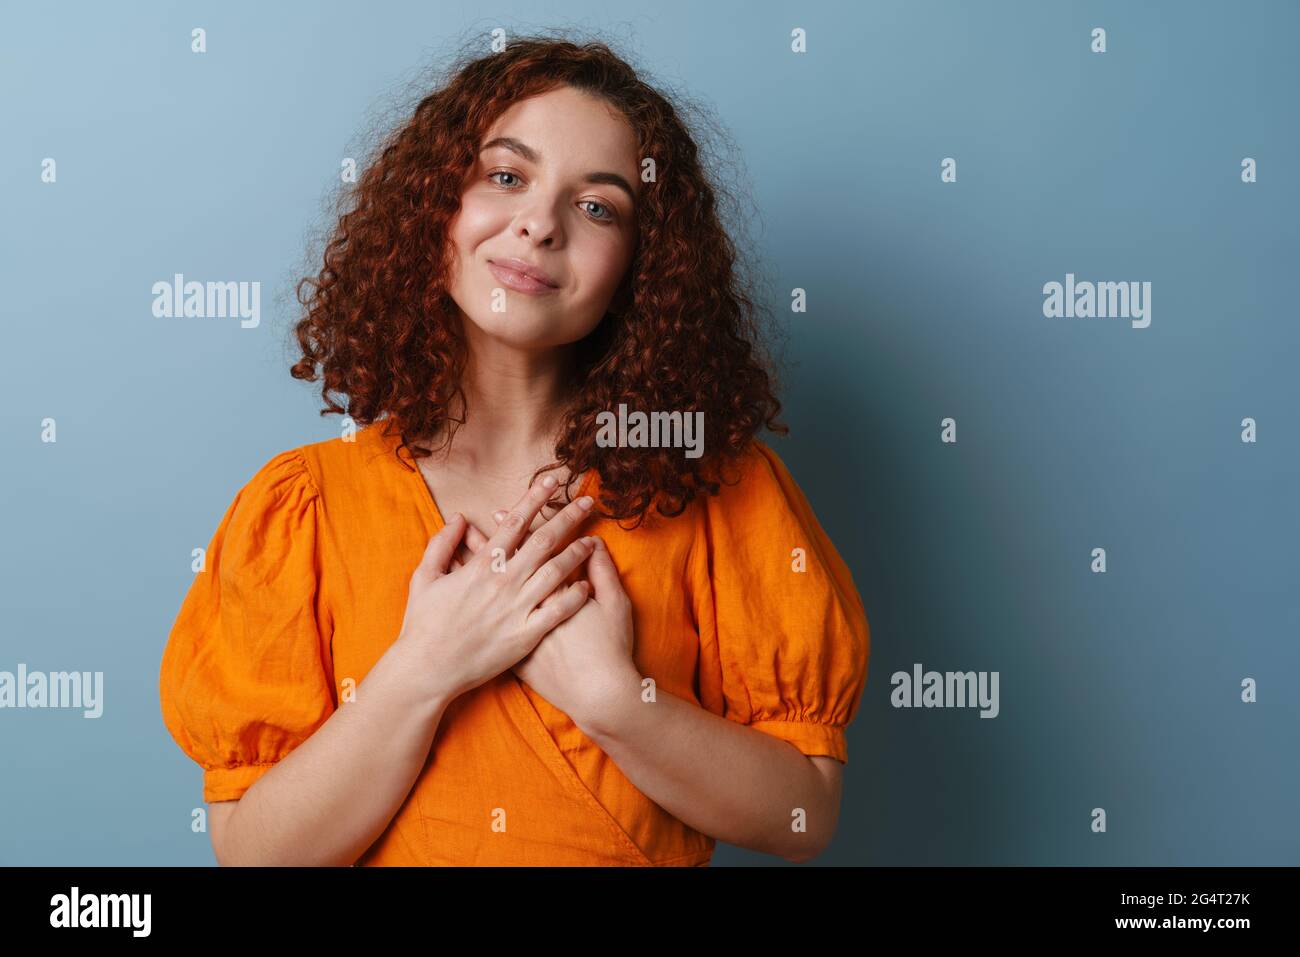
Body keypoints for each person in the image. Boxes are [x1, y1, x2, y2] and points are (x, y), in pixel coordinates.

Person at [158, 36, 870, 866]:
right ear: (434, 206)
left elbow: (804, 816)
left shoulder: (718, 489)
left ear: (641, 269)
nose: (539, 223)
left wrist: (615, 701)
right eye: (506, 176)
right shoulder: (303, 507)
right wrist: (425, 668)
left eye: (598, 206)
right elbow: (253, 854)